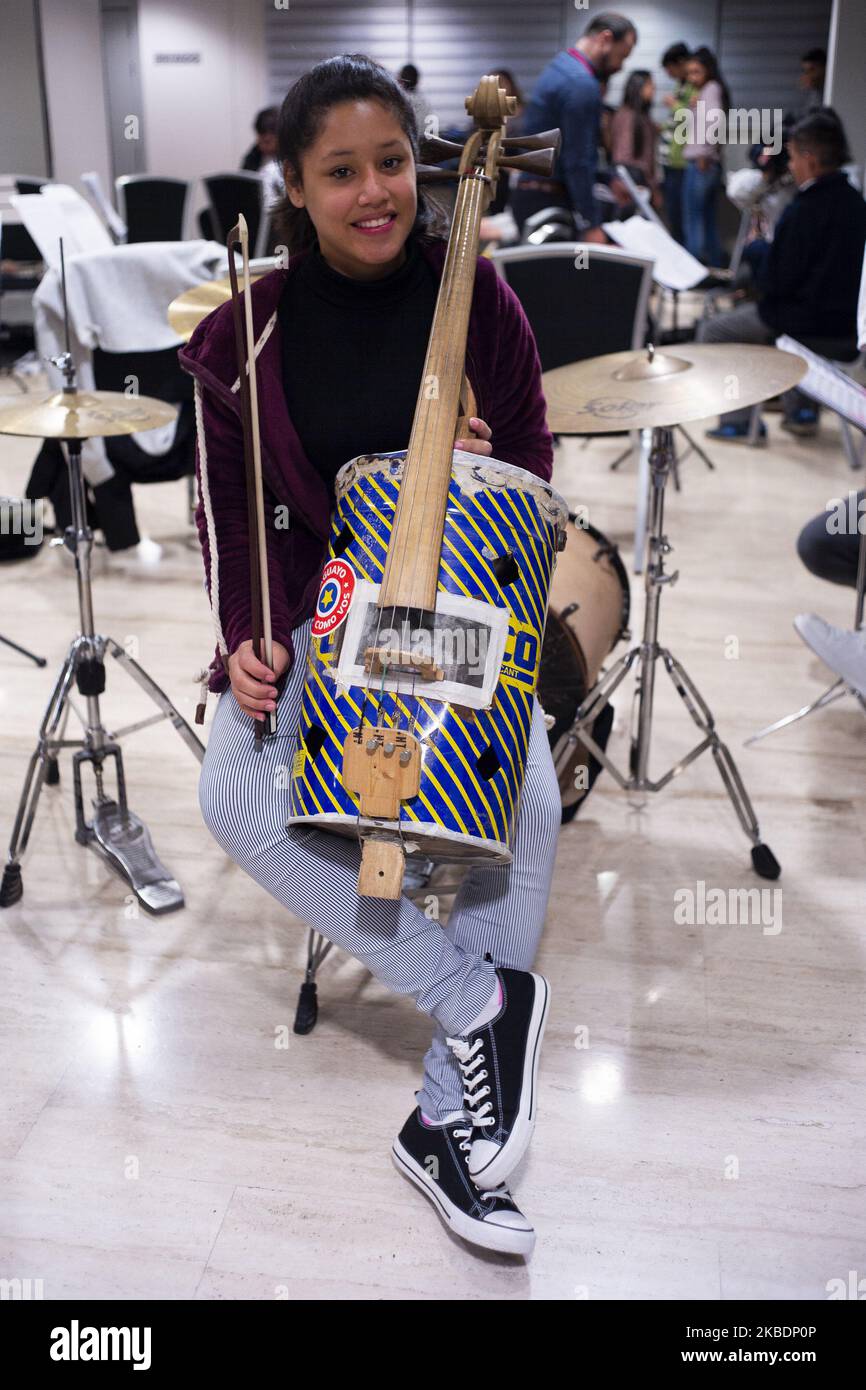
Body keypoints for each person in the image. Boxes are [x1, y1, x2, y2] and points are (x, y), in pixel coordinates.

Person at [179, 54, 562, 1259]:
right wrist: (246, 639)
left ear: (421, 165)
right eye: (339, 171)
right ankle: (476, 1006)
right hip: (320, 614)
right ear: (292, 184)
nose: (373, 192)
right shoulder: (243, 332)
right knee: (231, 792)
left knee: (530, 807)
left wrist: (487, 479)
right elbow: (225, 511)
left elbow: (541, 480)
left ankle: (446, 1126)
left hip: (461, 625)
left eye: (391, 162)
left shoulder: (478, 296)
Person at [698, 110, 866, 444]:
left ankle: (739, 422)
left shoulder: (803, 210)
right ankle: (801, 412)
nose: (789, 166)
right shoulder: (855, 202)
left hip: (806, 322)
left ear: (810, 158)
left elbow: (777, 282)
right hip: (848, 324)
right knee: (784, 311)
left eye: (791, 157)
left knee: (716, 330)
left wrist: (758, 260)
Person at [509, 11, 637, 238]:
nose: (620, 66)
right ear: (605, 39)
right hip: (548, 202)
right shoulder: (581, 84)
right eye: (622, 56)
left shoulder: (561, 66)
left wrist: (607, 178)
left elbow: (564, 148)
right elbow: (577, 160)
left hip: (532, 196)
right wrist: (592, 223)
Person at [681, 47, 730, 266]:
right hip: (709, 163)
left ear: (708, 71)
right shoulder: (708, 90)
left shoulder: (710, 89)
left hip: (701, 162)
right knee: (708, 218)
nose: (692, 77)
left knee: (693, 218)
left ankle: (695, 267)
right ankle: (714, 264)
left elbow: (713, 123)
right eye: (689, 72)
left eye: (696, 72)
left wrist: (704, 154)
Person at [658, 42, 694, 243]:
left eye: (670, 68)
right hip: (670, 159)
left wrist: (675, 105)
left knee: (680, 214)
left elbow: (692, 118)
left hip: (681, 161)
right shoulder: (681, 85)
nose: (668, 73)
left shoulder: (693, 87)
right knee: (673, 212)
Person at [610, 70, 659, 203]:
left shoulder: (642, 116)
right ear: (637, 88)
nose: (654, 88)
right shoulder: (628, 117)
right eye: (649, 85)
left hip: (636, 178)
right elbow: (625, 155)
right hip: (632, 180)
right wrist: (652, 186)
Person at [241, 107, 279, 171]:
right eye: (262, 140)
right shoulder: (253, 157)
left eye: (268, 141)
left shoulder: (291, 158)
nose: (265, 146)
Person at [798, 47, 826, 115]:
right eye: (805, 71)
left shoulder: (830, 93)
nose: (807, 75)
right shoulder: (814, 95)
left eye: (812, 70)